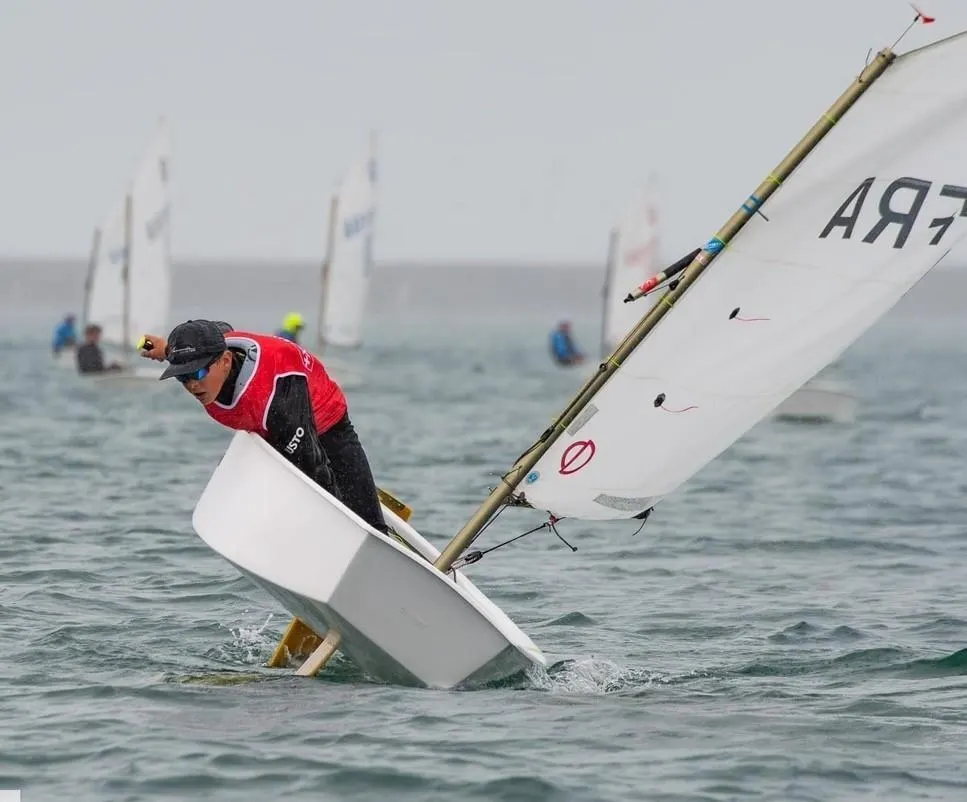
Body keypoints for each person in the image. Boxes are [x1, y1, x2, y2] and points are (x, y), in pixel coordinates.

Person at [140, 319, 388, 535]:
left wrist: (341, 522)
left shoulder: (273, 401)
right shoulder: (210, 349)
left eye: (198, 373)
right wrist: (156, 347)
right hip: (271, 425)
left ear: (226, 361)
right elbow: (209, 335)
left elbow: (315, 470)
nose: (192, 385)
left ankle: (374, 522)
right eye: (183, 377)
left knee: (361, 521)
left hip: (326, 422)